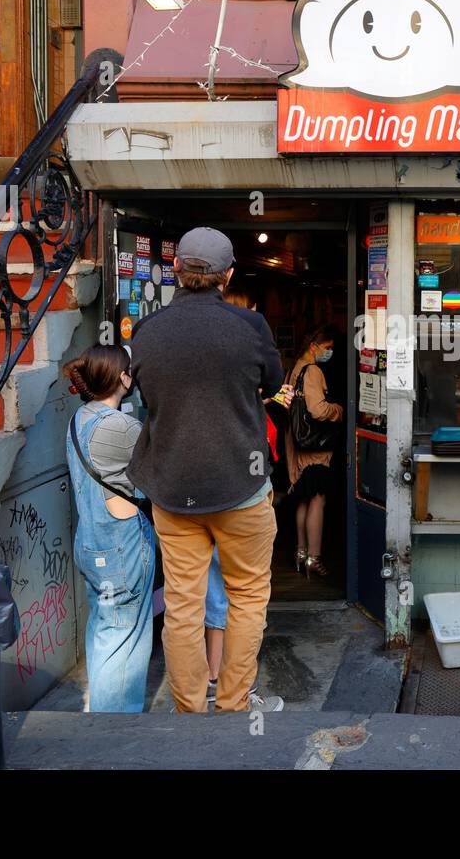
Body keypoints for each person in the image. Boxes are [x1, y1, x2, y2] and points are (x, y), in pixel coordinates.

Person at [128, 227, 287, 715]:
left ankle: (190, 712)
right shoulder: (250, 327)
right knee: (247, 597)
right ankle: (235, 704)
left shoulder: (147, 330)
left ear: (176, 270)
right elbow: (273, 382)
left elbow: (147, 398)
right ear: (228, 275)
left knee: (182, 605)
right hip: (241, 485)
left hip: (174, 489)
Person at [62, 344, 157, 713]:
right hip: (120, 545)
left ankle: (99, 716)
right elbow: (163, 459)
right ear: (122, 377)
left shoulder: (80, 419)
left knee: (104, 631)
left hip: (91, 542)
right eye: (130, 370)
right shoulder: (119, 426)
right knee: (125, 639)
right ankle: (112, 733)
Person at [287, 325, 345, 579]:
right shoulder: (312, 370)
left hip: (297, 444)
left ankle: (301, 553)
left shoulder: (295, 368)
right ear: (315, 346)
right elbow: (317, 410)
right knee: (318, 500)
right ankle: (314, 557)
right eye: (328, 348)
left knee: (304, 498)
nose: (329, 352)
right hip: (314, 447)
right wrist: (339, 410)